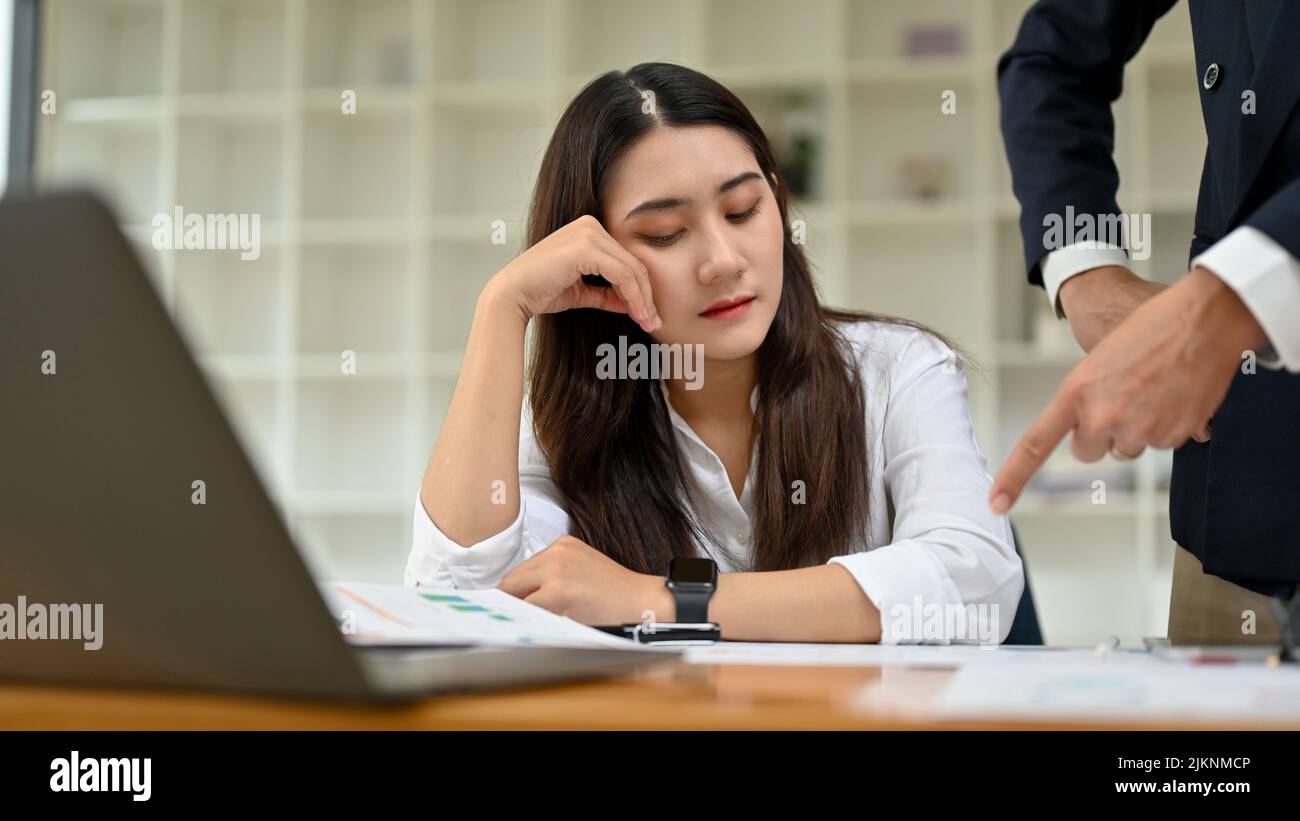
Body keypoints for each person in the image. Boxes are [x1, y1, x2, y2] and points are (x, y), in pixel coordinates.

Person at [405, 62, 1022, 644]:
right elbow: (459, 597)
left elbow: (975, 587)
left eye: (743, 210)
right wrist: (500, 308)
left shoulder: (898, 370)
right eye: (665, 234)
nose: (724, 261)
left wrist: (661, 599)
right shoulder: (570, 417)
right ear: (595, 261)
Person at [994, 0, 1300, 643]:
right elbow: (1052, 55)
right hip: (1235, 520)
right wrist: (1085, 268)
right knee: (1200, 750)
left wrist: (1227, 298)